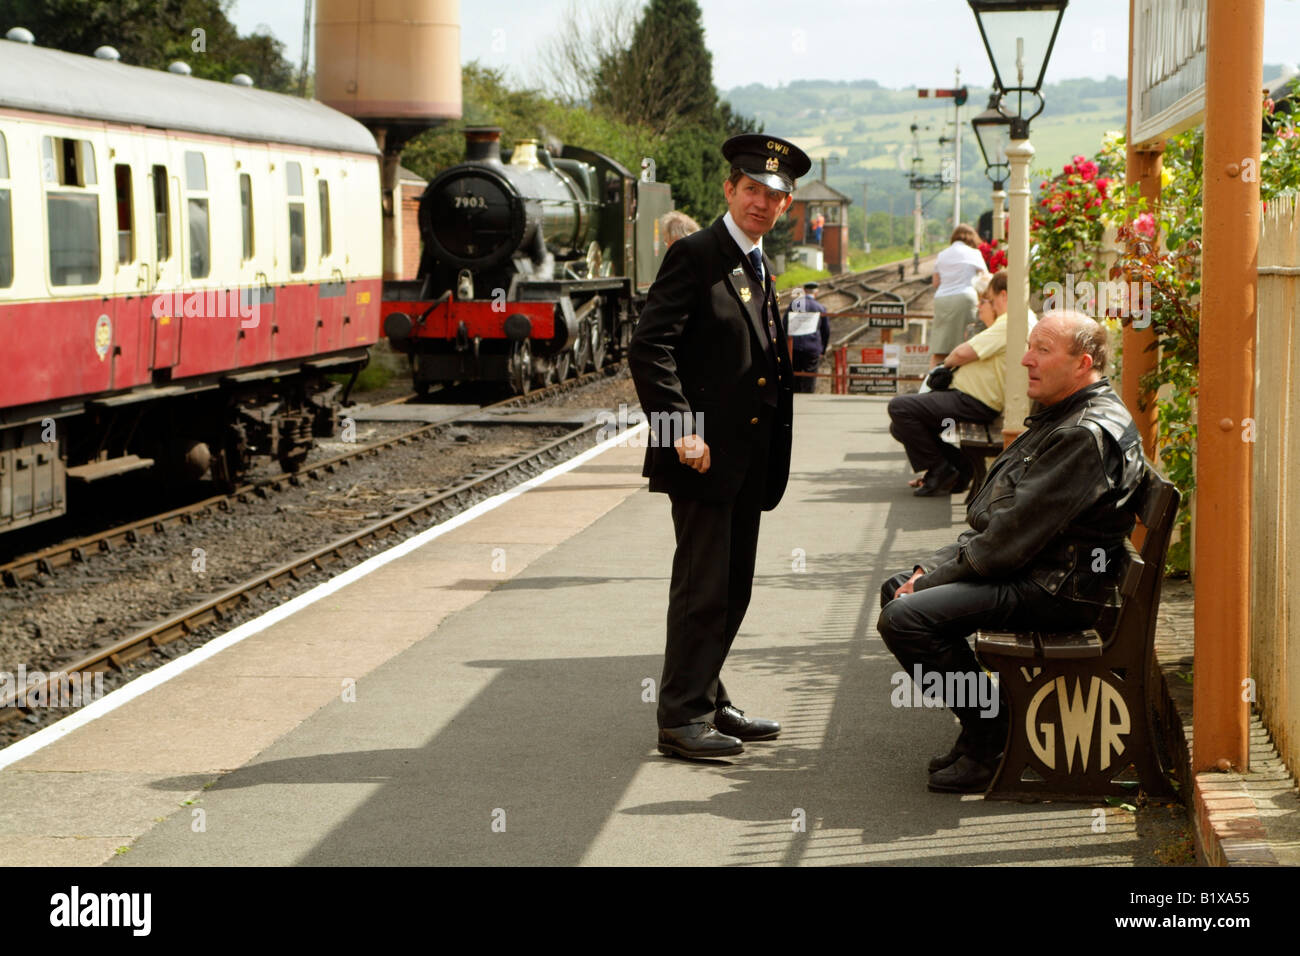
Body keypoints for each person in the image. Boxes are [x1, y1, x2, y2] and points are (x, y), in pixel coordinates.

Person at [876, 312, 1145, 793]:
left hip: (1060, 589)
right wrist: (930, 571)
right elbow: (1010, 531)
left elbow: (1007, 542)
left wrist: (932, 579)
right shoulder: (1070, 413)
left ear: (1083, 363)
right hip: (1046, 570)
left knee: (905, 616)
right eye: (1029, 347)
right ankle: (984, 727)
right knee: (898, 589)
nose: (1026, 360)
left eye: (1042, 349)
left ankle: (991, 733)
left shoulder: (1082, 433)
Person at [629, 133, 811, 760]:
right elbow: (650, 347)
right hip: (702, 453)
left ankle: (708, 697)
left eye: (775, 195)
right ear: (729, 189)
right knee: (703, 588)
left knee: (732, 588)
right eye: (752, 190)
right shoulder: (697, 254)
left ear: (786, 206)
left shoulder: (756, 261)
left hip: (746, 459)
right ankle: (681, 719)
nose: (762, 202)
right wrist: (681, 431)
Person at [888, 270, 1034, 496]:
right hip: (973, 399)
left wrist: (946, 364)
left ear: (1004, 296)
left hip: (976, 402)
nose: (991, 306)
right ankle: (960, 469)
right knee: (901, 423)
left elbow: (961, 354)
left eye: (991, 300)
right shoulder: (1018, 318)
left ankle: (941, 469)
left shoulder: (1011, 321)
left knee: (900, 408)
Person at [929, 224, 988, 367]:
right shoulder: (974, 253)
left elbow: (936, 282)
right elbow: (985, 279)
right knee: (967, 344)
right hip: (965, 298)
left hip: (942, 300)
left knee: (940, 347)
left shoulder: (942, 255)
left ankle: (933, 381)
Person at [786, 281, 830, 393]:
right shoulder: (820, 308)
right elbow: (826, 331)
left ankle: (795, 397)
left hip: (794, 347)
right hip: (812, 347)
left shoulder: (794, 305)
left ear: (804, 291)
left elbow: (785, 324)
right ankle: (808, 395)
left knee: (795, 375)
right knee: (810, 376)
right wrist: (823, 349)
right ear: (816, 292)